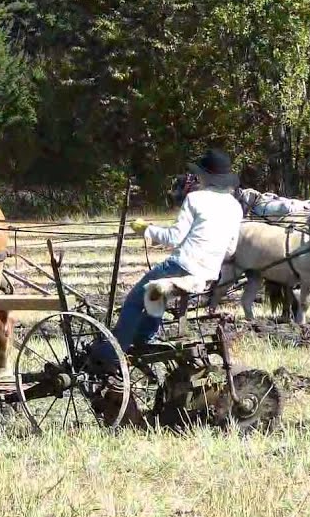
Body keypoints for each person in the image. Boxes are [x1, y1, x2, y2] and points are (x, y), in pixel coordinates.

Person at [101, 149, 244, 361]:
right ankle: (143, 340)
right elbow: (230, 249)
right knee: (156, 293)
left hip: (181, 265)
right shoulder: (235, 206)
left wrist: (147, 229)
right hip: (208, 274)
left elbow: (174, 237)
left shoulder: (195, 199)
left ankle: (111, 354)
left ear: (205, 176)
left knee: (133, 301)